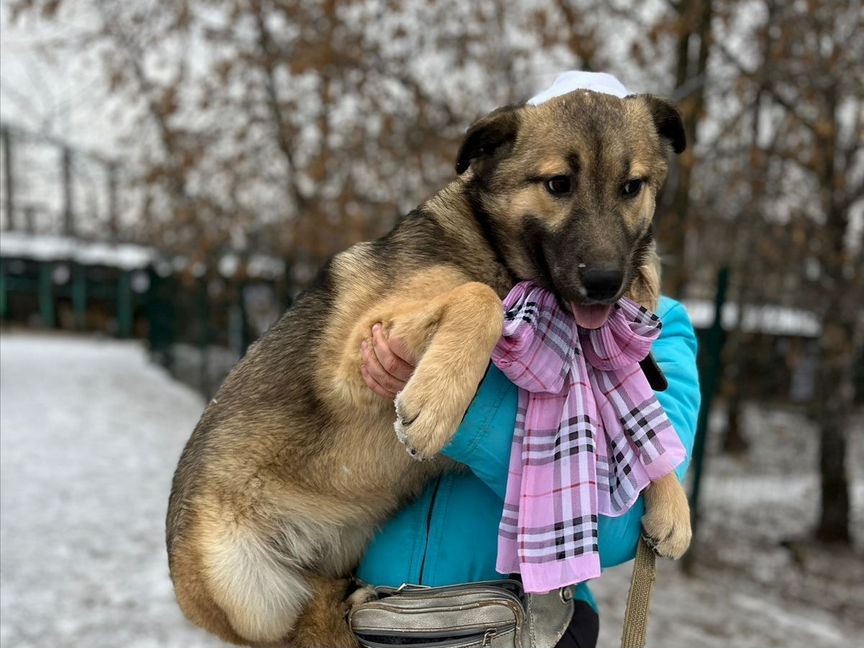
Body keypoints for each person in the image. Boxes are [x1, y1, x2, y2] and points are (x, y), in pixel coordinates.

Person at [355, 73, 701, 648]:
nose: (602, 253)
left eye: (630, 188)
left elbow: (620, 533)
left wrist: (463, 409)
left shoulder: (660, 332)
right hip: (366, 622)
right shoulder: (460, 290)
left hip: (522, 629)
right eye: (560, 184)